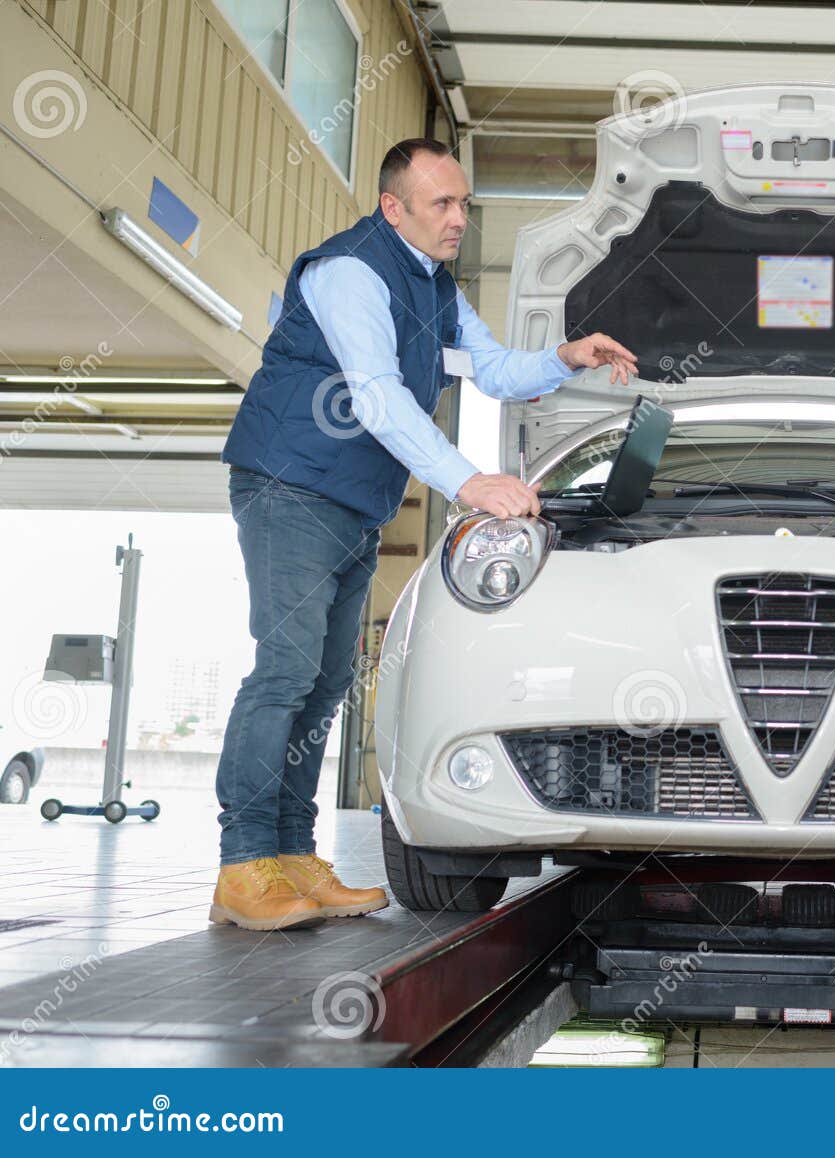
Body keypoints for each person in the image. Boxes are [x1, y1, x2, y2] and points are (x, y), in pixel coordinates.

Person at [211, 138, 639, 931]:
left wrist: (566, 356)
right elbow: (376, 397)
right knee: (286, 670)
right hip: (289, 484)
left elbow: (495, 370)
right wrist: (470, 482)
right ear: (393, 207)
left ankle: (294, 856)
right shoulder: (349, 272)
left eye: (464, 202)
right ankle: (243, 865)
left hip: (352, 501)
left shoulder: (434, 285)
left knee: (327, 681)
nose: (459, 218)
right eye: (442, 203)